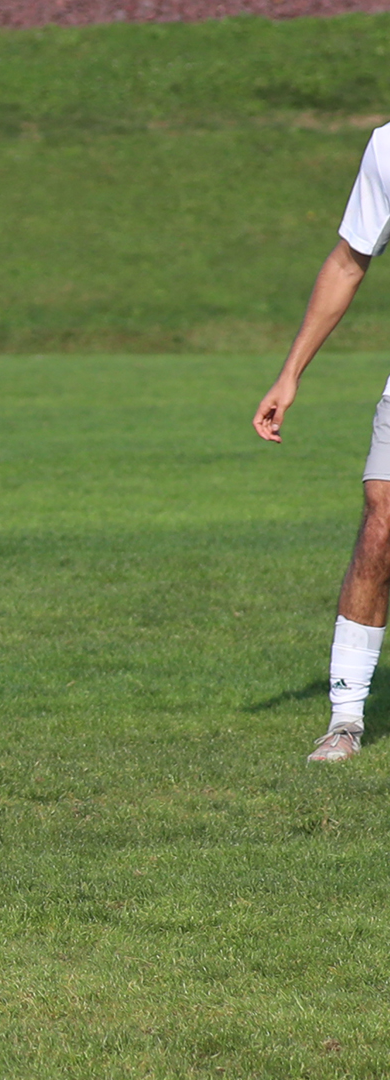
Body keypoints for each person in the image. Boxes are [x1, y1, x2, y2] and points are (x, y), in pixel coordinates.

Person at [254, 122, 390, 762]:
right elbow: (348, 261)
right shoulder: (387, 147)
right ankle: (345, 719)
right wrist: (290, 372)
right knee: (382, 517)